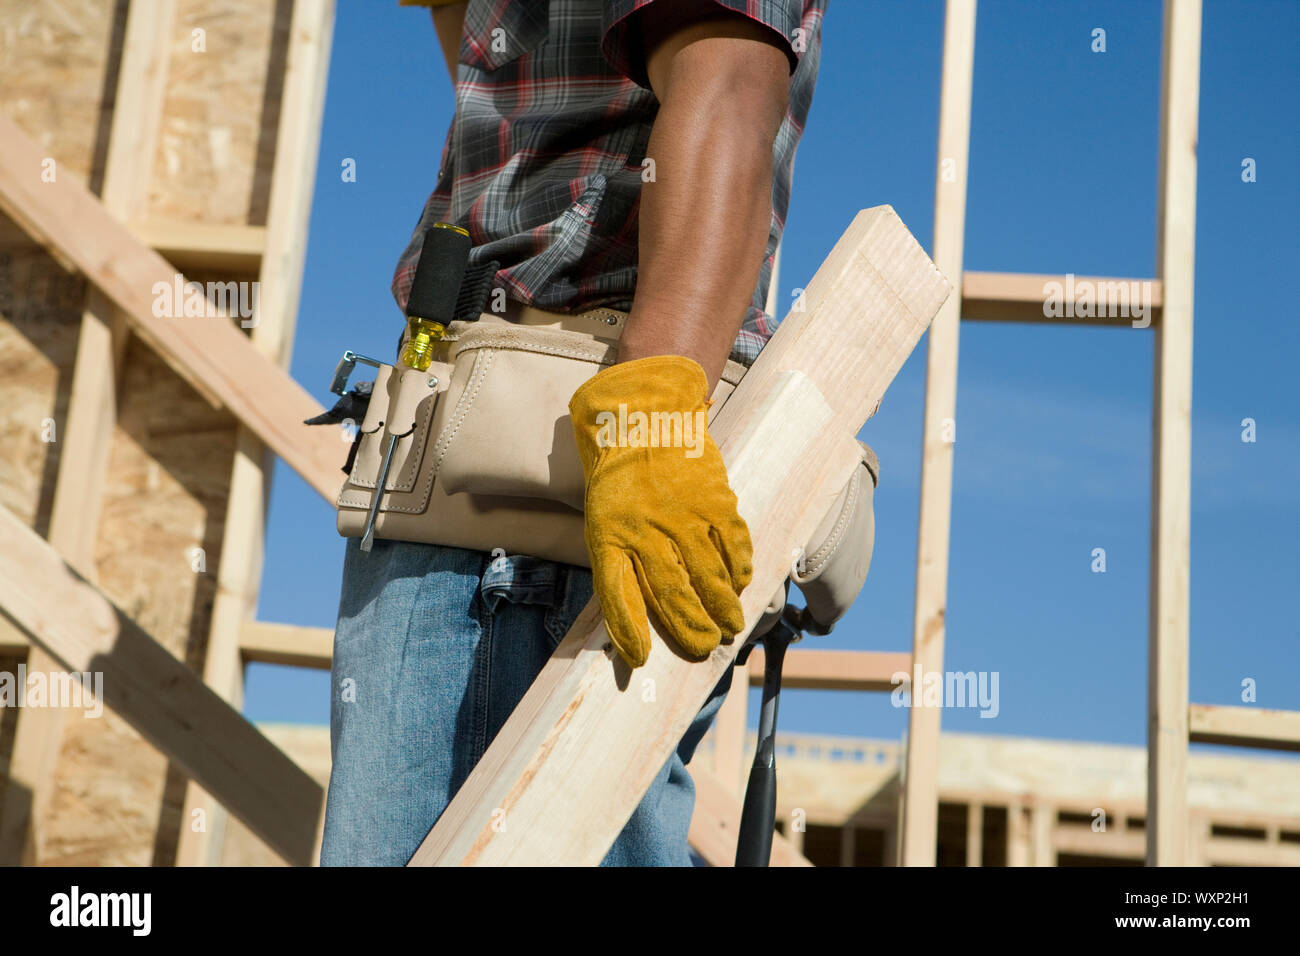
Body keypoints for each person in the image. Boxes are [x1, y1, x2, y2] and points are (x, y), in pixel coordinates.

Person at [321, 0, 826, 866]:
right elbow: (510, 112)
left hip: (552, 483)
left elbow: (733, 78)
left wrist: (648, 415)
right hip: (466, 451)